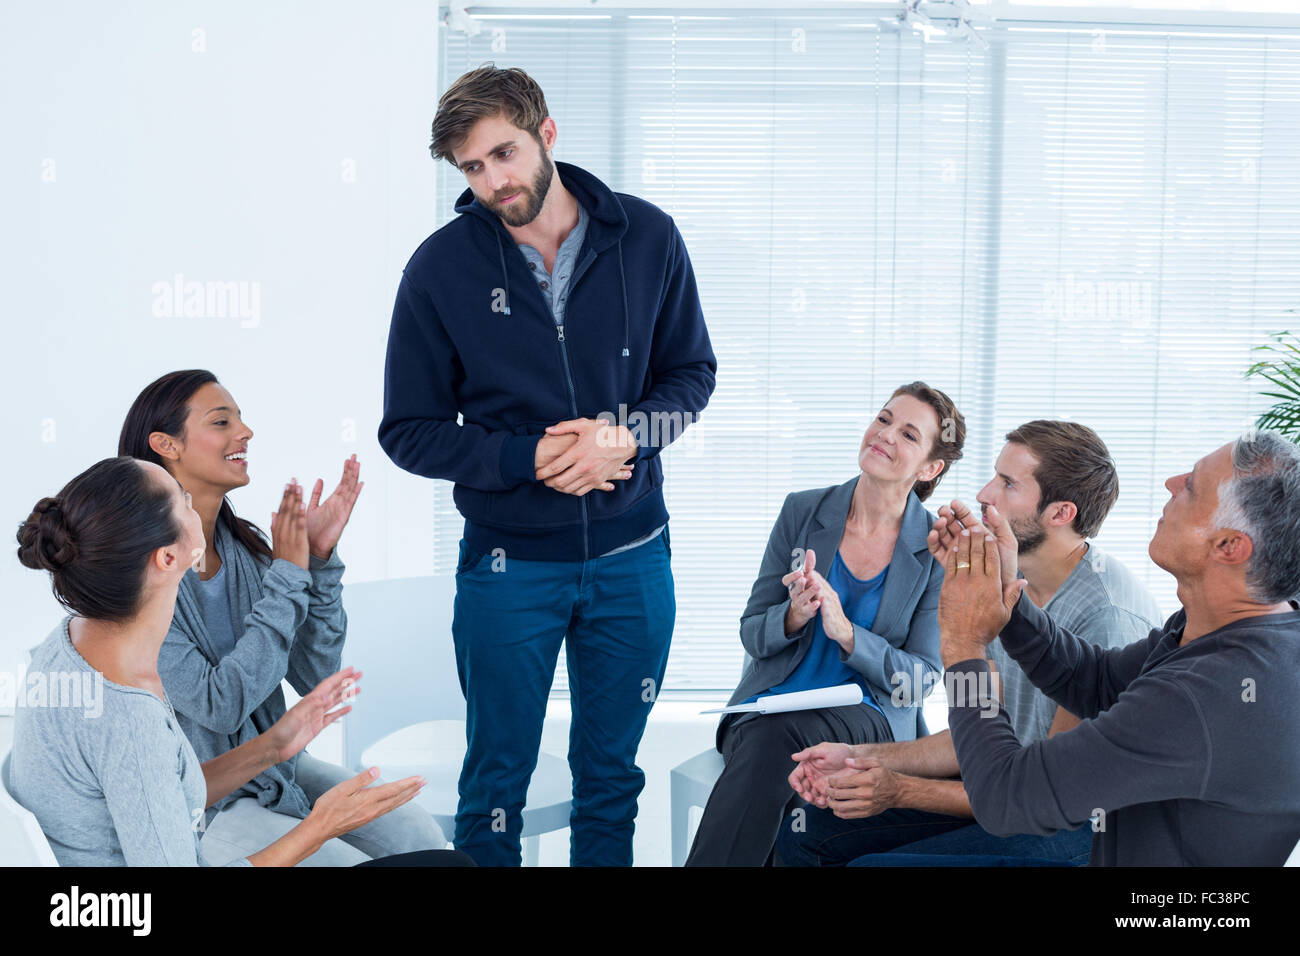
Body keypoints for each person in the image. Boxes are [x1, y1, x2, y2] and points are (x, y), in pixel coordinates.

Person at [379, 65, 716, 866]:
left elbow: (692, 376)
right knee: (495, 781)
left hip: (634, 558)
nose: (494, 180)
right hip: (508, 568)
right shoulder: (439, 270)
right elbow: (410, 431)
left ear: (547, 135)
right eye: (472, 167)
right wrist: (529, 456)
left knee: (610, 780)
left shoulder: (649, 237)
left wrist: (625, 436)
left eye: (504, 153)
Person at [10, 456, 471, 866]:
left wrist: (273, 745)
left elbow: (166, 794)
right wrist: (318, 827)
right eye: (182, 501)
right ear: (168, 558)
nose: (195, 504)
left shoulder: (69, 645)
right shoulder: (130, 717)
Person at [780, 420, 1162, 866]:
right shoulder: (1005, 583)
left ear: (1060, 514)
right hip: (1009, 789)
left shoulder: (1106, 617)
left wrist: (898, 788)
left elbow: (1047, 794)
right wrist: (858, 758)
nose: (984, 493)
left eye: (1007, 484)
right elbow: (973, 737)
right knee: (808, 834)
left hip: (1083, 828)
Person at [117, 369, 446, 865]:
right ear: (167, 444)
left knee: (417, 834)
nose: (245, 432)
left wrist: (317, 562)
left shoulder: (245, 549)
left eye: (242, 419)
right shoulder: (148, 576)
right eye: (222, 421)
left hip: (278, 772)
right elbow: (219, 705)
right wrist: (290, 574)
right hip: (207, 802)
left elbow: (314, 672)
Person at [937, 430, 1300, 865]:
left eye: (1191, 486)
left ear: (1228, 547)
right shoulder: (1237, 624)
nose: (1171, 482)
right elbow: (1096, 682)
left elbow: (1005, 799)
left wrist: (962, 648)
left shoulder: (1208, 696)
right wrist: (1005, 594)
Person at [684, 382, 964, 866]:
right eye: (883, 419)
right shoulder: (803, 511)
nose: (886, 435)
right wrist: (794, 616)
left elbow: (918, 682)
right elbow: (752, 629)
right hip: (767, 707)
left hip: (867, 718)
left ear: (930, 468)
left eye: (909, 434)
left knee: (780, 747)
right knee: (776, 750)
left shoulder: (936, 549)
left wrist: (847, 633)